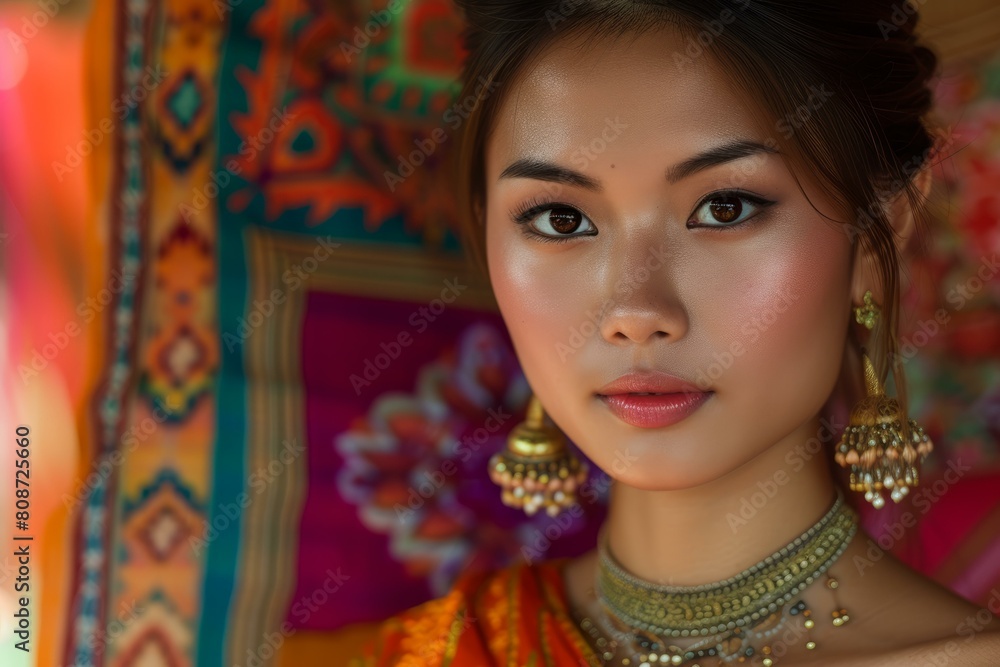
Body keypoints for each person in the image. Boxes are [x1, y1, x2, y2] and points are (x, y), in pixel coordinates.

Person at [350, 1, 1000, 664]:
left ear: (876, 237)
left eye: (724, 208)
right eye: (561, 220)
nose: (635, 309)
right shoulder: (426, 652)